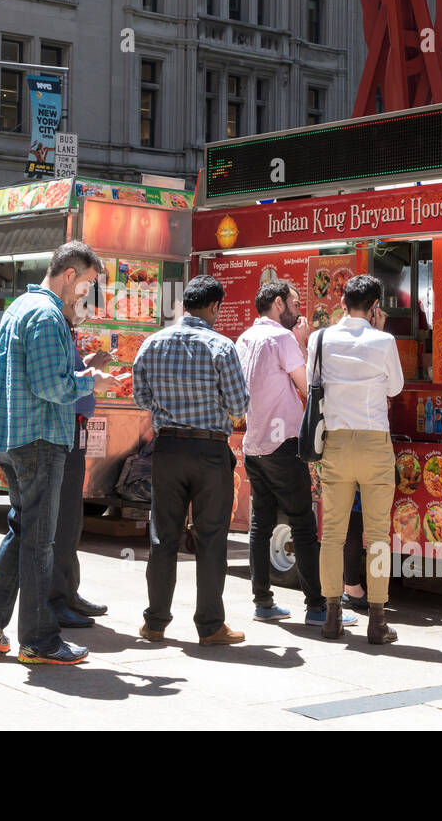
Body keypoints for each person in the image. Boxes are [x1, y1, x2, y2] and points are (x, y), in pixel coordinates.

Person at [0, 243, 120, 665]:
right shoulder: (46, 313)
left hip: (16, 437)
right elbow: (50, 386)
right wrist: (93, 383)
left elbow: (33, 377)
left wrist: (83, 374)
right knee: (39, 543)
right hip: (39, 439)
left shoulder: (21, 307)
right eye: (87, 283)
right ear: (70, 274)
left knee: (22, 534)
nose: (84, 294)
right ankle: (38, 639)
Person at [133, 274, 250, 646]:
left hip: (167, 449)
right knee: (212, 538)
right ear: (215, 306)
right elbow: (239, 405)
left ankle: (155, 623)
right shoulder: (221, 346)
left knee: (162, 537)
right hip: (210, 451)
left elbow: (141, 398)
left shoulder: (152, 343)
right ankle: (210, 625)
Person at [235, 281, 350, 628]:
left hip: (253, 444)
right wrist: (300, 344)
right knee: (301, 522)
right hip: (283, 442)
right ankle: (316, 606)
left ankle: (263, 601)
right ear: (278, 303)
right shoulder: (282, 339)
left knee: (261, 524)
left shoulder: (245, 338)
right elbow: (307, 384)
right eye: (297, 304)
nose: (300, 311)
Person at [308, 274, 404, 644]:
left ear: (342, 303)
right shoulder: (384, 341)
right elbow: (394, 387)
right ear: (375, 307)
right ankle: (377, 621)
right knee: (377, 536)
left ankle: (332, 617)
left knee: (332, 534)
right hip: (374, 444)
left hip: (335, 443)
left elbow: (314, 380)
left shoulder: (319, 339)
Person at [50, 323, 113, 628]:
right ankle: (57, 600)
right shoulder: (53, 328)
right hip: (65, 430)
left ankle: (68, 592)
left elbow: (69, 374)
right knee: (63, 521)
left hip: (75, 430)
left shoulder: (65, 333)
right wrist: (92, 377)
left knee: (72, 520)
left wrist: (89, 366)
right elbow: (59, 383)